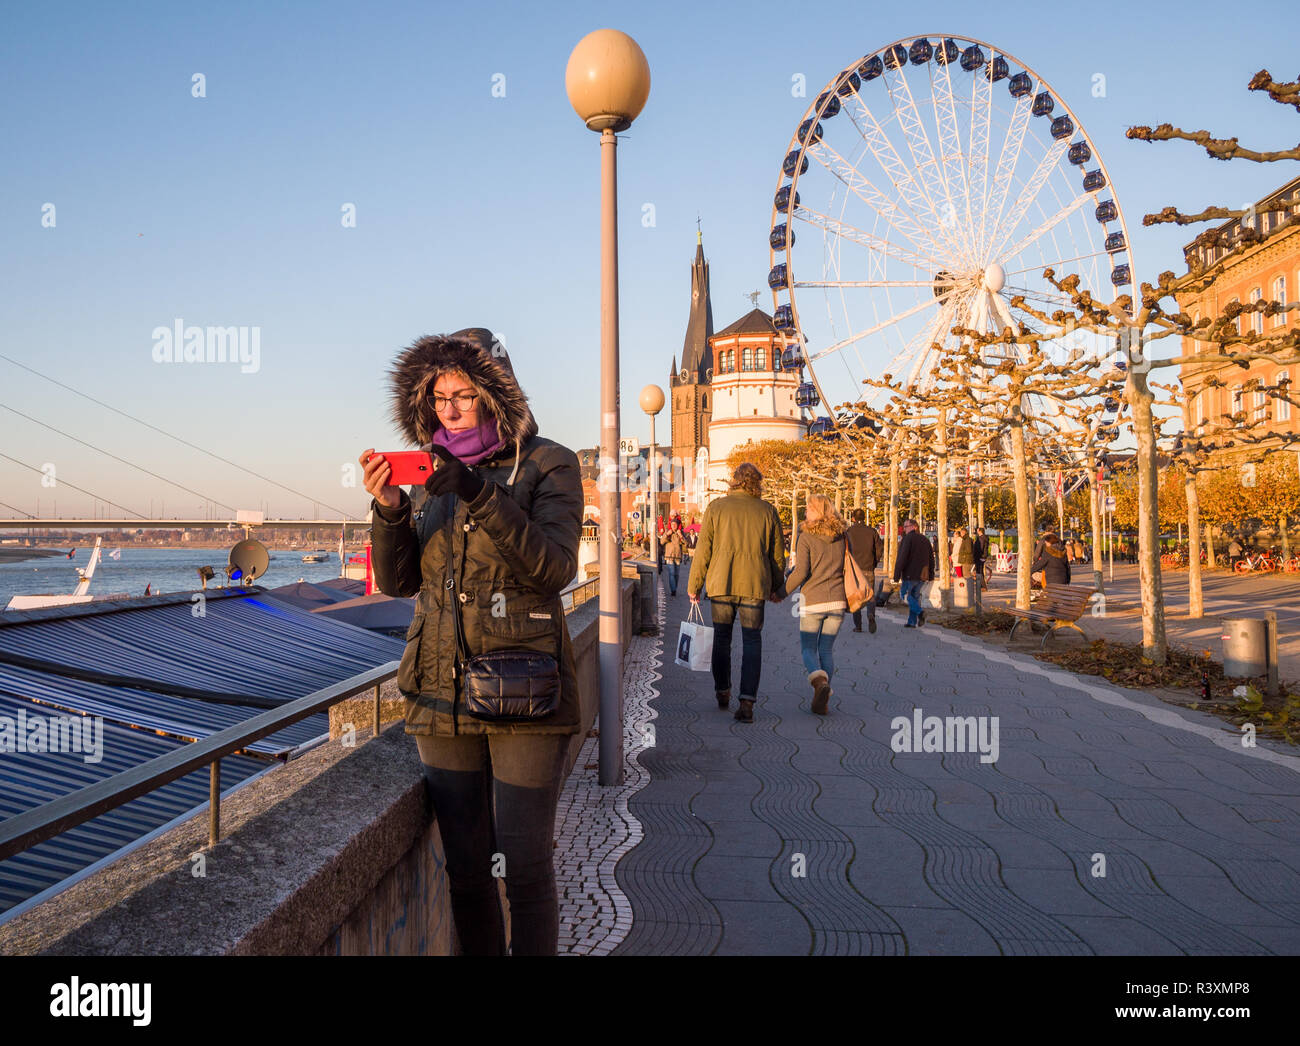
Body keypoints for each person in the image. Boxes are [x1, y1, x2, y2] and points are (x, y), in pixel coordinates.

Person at [362, 327, 583, 957]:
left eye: (463, 395)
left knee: (525, 869)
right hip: (439, 692)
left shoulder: (549, 463)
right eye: (440, 398)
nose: (450, 410)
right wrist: (390, 509)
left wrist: (478, 492)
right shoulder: (431, 473)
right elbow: (400, 582)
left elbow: (553, 569)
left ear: (494, 394)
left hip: (525, 689)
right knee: (466, 871)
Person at [687, 463, 787, 723]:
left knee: (722, 639)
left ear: (734, 481)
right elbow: (777, 556)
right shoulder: (767, 511)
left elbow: (703, 551)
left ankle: (723, 690)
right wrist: (777, 588)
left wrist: (694, 586)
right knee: (752, 640)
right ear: (757, 483)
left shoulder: (716, 508)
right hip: (754, 584)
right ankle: (747, 701)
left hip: (721, 584)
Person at [785, 494, 847, 715]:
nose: (805, 512)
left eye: (809, 508)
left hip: (813, 601)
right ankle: (823, 699)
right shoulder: (841, 535)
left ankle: (820, 684)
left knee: (808, 649)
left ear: (819, 511)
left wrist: (781, 592)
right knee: (826, 650)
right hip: (838, 600)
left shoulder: (806, 536)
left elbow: (801, 572)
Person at [845, 507, 883, 634]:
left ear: (853, 519)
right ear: (864, 518)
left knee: (856, 596)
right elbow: (879, 549)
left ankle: (858, 626)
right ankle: (871, 614)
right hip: (868, 567)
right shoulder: (872, 531)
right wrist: (874, 562)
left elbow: (844, 550)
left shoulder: (849, 532)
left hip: (854, 569)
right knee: (870, 594)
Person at [893, 518, 934, 628]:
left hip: (910, 574)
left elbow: (902, 558)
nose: (904, 529)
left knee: (904, 595)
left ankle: (920, 612)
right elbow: (931, 558)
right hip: (922, 575)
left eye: (906, 526)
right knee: (914, 598)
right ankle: (912, 622)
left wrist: (896, 576)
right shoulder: (925, 539)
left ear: (913, 526)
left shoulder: (907, 539)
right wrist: (931, 574)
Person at [663, 523, 685, 596]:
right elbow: (662, 542)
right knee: (672, 573)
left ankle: (674, 587)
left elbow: (686, 543)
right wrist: (667, 534)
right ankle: (673, 590)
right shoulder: (668, 532)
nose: (674, 526)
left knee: (676, 574)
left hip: (678, 556)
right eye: (672, 524)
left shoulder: (680, 532)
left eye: (675, 524)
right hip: (669, 556)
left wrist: (681, 535)